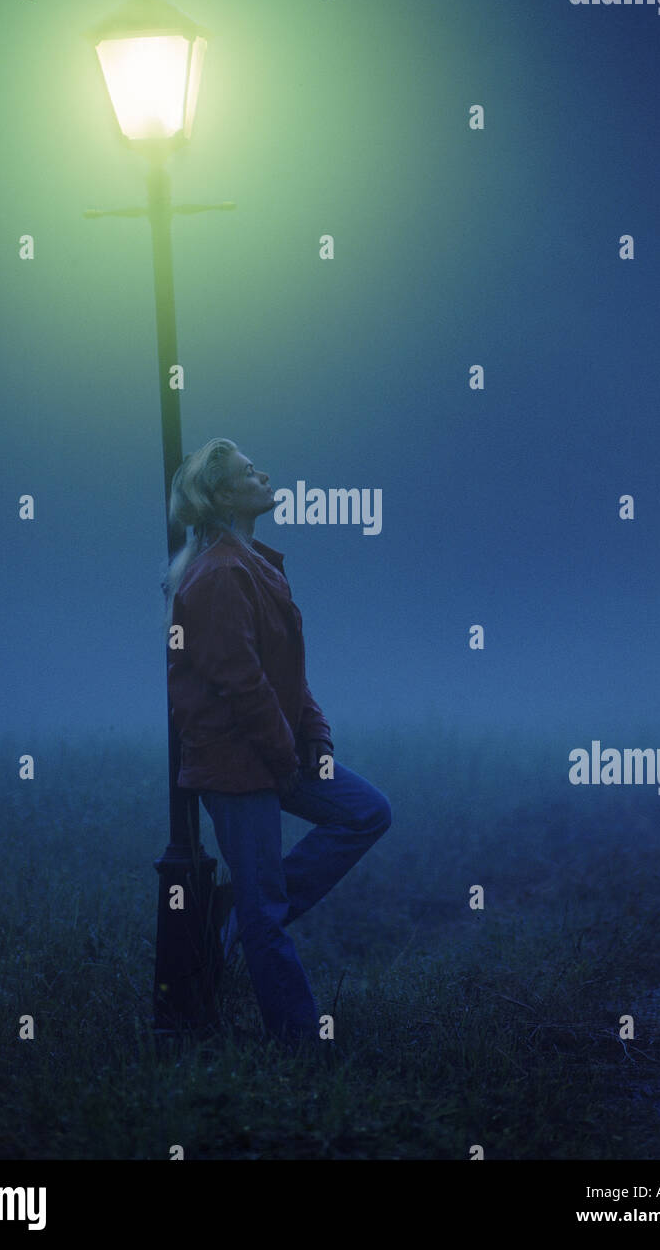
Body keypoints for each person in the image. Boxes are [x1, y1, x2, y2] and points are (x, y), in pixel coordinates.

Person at [163, 437, 391, 1049]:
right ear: (222, 495)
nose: (264, 474)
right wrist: (285, 756)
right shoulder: (217, 576)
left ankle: (241, 903)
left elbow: (287, 673)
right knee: (265, 919)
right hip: (235, 763)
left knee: (366, 811)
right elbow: (240, 680)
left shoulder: (256, 563)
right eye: (247, 471)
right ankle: (299, 1043)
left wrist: (314, 737)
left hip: (277, 752)